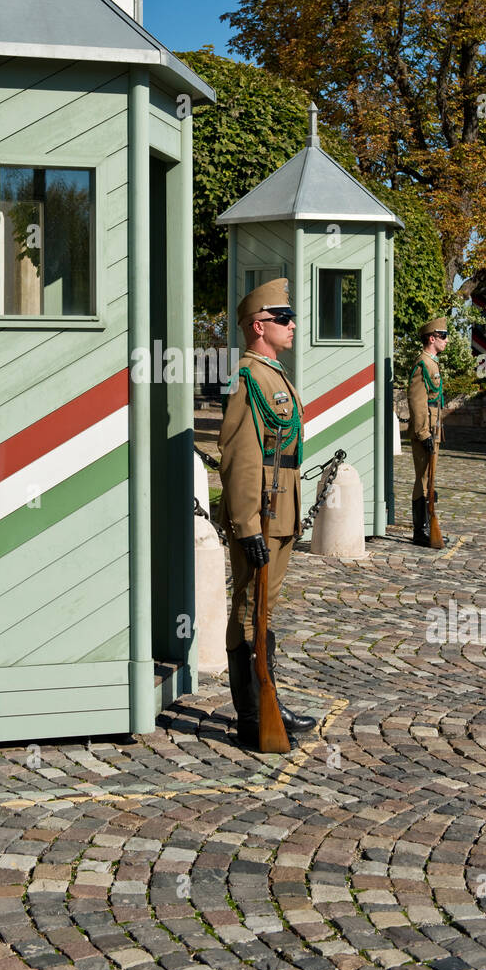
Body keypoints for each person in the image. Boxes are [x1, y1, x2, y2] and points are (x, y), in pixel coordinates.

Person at [218, 278, 317, 749]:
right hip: (262, 512)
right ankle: (254, 716)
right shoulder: (248, 378)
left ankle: (267, 700)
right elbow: (240, 455)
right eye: (283, 318)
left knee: (265, 611)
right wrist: (245, 522)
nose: (292, 325)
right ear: (259, 326)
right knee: (249, 611)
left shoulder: (272, 374)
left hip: (282, 508)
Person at [407, 318, 448, 547]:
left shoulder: (432, 363)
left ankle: (426, 524)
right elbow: (417, 401)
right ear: (431, 338)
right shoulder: (422, 363)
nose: (446, 341)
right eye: (443, 336)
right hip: (426, 429)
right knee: (423, 479)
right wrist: (423, 433)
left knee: (430, 478)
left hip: (434, 428)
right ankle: (420, 530)